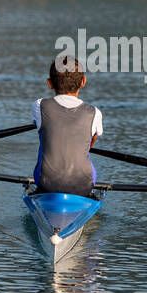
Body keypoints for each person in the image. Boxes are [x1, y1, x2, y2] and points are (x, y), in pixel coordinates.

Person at [32, 55, 102, 197]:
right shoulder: (95, 112)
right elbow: (90, 144)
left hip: (47, 183)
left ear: (49, 83)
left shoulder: (39, 105)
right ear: (83, 81)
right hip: (83, 185)